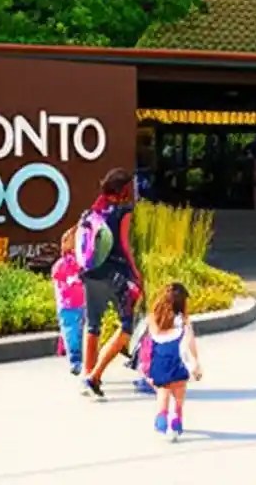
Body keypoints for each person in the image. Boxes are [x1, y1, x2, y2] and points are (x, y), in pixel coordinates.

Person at [79, 168, 144, 399]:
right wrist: (136, 272)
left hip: (91, 272)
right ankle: (94, 376)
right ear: (124, 189)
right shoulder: (123, 211)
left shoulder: (92, 211)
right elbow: (125, 245)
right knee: (126, 326)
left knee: (92, 324)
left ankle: (86, 374)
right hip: (116, 274)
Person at [146, 282, 203, 441]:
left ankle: (162, 418)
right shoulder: (184, 321)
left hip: (160, 362)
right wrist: (196, 363)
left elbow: (151, 337)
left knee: (163, 391)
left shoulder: (154, 318)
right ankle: (176, 420)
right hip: (178, 361)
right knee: (179, 391)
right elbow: (190, 344)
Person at [50, 235, 85, 376]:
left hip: (81, 303)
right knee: (72, 334)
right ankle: (75, 360)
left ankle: (82, 359)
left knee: (79, 333)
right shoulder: (61, 265)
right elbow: (58, 283)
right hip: (67, 305)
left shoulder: (82, 263)